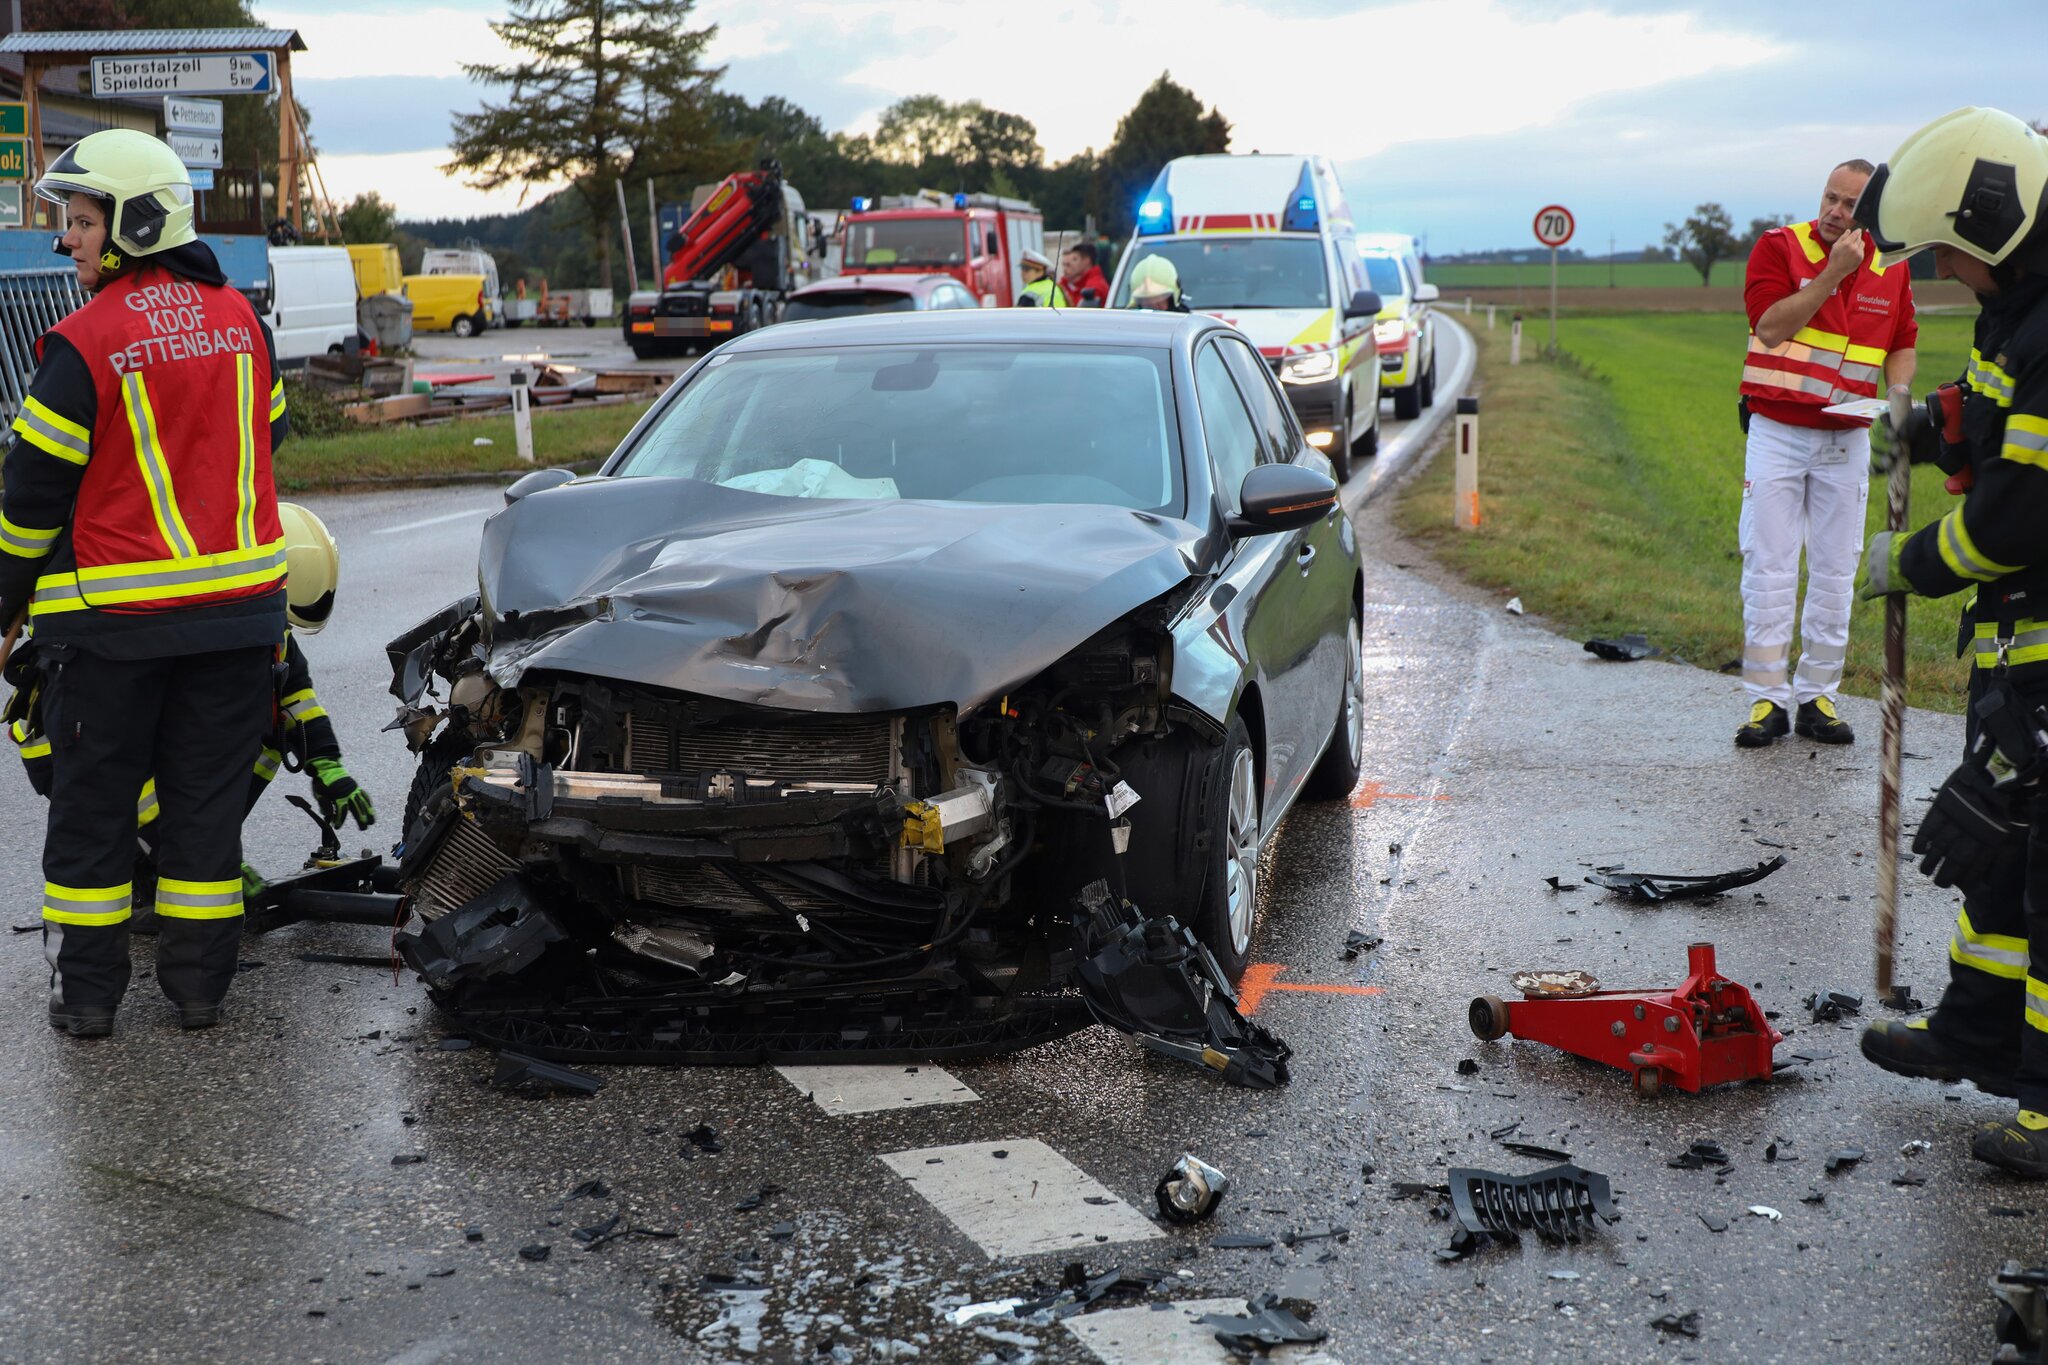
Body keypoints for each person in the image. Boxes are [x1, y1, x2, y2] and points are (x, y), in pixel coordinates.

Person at [0, 129, 290, 1037]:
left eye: (81, 221)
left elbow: (29, 503)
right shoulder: (245, 323)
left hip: (113, 632)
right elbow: (264, 441)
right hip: (242, 625)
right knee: (204, 814)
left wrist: (5, 610)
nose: (66, 239)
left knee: (92, 814)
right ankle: (200, 991)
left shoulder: (80, 344)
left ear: (132, 222)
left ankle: (87, 1001)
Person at [1851, 107, 2048, 1177]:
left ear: (1999, 223)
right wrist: (1933, 424)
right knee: (1997, 845)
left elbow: (2020, 517)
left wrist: (1913, 563)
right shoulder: (2018, 311)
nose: (1944, 270)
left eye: (1948, 252)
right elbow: (1991, 409)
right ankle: (1975, 1035)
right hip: (2024, 647)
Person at [1733, 157, 1918, 748]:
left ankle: (1818, 696)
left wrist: (1898, 399)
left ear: (1873, 213)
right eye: (1830, 198)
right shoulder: (1779, 248)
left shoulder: (1893, 268)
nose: (1836, 212)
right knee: (1770, 568)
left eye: (1850, 205)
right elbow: (1768, 327)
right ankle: (1767, 700)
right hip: (1778, 433)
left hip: (1848, 438)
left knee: (1837, 572)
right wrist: (1831, 276)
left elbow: (1903, 341)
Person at [1060, 241, 1110, 308]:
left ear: (1086, 261)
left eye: (1074, 259)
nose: (1071, 263)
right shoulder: (1078, 283)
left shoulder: (1094, 286)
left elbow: (1080, 312)